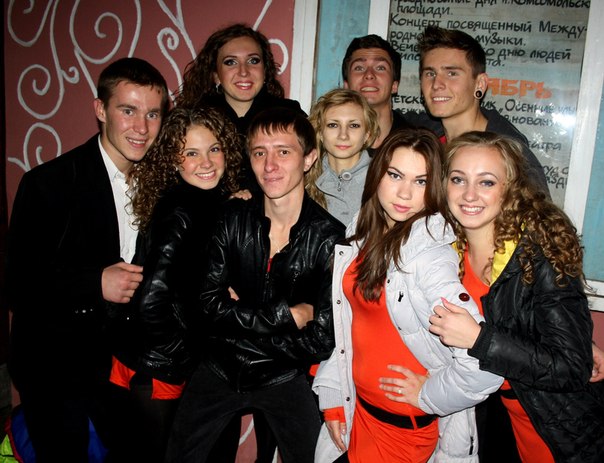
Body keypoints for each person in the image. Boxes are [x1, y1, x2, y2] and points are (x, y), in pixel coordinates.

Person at [6, 57, 169, 462]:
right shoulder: (49, 183)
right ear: (100, 109)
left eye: (152, 114)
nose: (142, 127)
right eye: (128, 110)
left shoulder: (159, 185)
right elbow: (17, 283)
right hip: (54, 363)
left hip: (123, 366)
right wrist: (94, 282)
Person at [165, 108, 345, 463]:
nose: (269, 165)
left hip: (283, 374)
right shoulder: (232, 217)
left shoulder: (330, 238)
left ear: (309, 158)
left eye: (283, 151)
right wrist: (287, 316)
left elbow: (322, 338)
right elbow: (207, 306)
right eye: (259, 152)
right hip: (219, 367)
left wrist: (237, 322)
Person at [313, 128, 502, 463]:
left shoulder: (429, 258)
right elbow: (349, 326)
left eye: (421, 181)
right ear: (377, 174)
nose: (404, 192)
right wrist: (333, 395)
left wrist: (428, 395)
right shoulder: (363, 231)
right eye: (395, 175)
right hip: (359, 413)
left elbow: (485, 368)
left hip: (401, 432)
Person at [429, 131, 604, 463]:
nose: (469, 194)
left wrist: (480, 339)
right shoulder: (444, 249)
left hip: (559, 429)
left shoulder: (539, 252)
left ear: (510, 189)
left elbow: (571, 367)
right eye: (458, 179)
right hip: (496, 422)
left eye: (486, 182)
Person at [107, 107, 243, 462]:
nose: (206, 162)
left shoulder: (205, 201)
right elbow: (151, 298)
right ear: (173, 161)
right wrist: (177, 354)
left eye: (214, 149)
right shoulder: (181, 211)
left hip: (161, 358)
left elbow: (189, 277)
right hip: (157, 364)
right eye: (192, 153)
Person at [406, 25, 549, 195]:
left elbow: (538, 211)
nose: (437, 84)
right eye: (430, 74)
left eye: (452, 74)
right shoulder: (424, 133)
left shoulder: (512, 154)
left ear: (480, 84)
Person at [176, 23, 304, 196]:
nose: (244, 72)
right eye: (231, 62)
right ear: (216, 75)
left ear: (265, 70)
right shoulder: (192, 120)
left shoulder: (290, 116)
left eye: (253, 61)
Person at [307, 88, 379, 226]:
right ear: (320, 133)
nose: (343, 135)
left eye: (354, 125)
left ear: (367, 134)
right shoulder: (302, 180)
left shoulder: (383, 179)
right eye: (333, 125)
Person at [341, 34, 413, 152]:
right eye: (359, 68)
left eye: (380, 68)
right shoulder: (326, 142)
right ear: (346, 85)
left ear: (394, 85)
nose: (369, 75)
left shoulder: (416, 143)